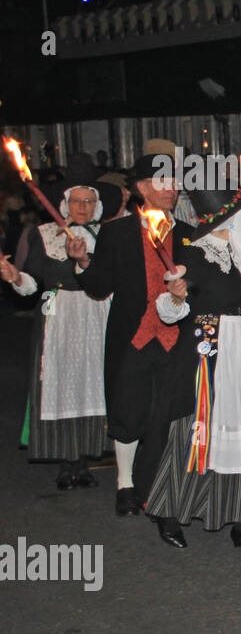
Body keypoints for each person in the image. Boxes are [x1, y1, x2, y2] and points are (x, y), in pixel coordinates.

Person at [145, 190, 241, 551]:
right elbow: (169, 310)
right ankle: (169, 511)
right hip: (207, 352)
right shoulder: (192, 253)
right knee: (196, 431)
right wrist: (176, 295)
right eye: (236, 215)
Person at [75, 152, 194, 519]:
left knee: (166, 411)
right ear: (142, 188)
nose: (171, 188)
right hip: (132, 337)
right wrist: (82, 262)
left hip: (175, 339)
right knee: (127, 408)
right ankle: (125, 484)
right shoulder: (118, 232)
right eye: (163, 181)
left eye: (174, 181)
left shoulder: (188, 235)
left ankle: (157, 481)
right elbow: (100, 285)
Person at [1, 167, 121, 489]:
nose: (82, 207)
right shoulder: (44, 235)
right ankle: (67, 461)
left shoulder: (108, 237)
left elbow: (116, 279)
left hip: (97, 313)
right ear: (66, 204)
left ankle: (85, 459)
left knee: (92, 383)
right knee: (61, 383)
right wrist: (15, 277)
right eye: (77, 201)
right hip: (57, 316)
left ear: (97, 206)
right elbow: (34, 283)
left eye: (89, 201)